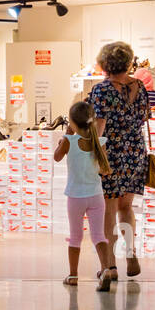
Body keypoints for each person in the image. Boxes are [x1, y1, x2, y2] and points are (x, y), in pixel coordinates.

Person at [90, 41, 149, 279]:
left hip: (111, 154)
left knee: (108, 210)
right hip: (135, 151)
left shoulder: (101, 90)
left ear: (105, 63)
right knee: (127, 207)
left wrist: (96, 157)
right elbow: (143, 118)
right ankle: (131, 252)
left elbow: (99, 127)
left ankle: (110, 265)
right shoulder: (140, 86)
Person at [54, 100, 113, 291]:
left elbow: (56, 157)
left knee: (75, 237)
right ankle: (105, 269)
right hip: (96, 196)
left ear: (71, 122)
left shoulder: (68, 142)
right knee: (99, 236)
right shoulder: (99, 142)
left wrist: (64, 138)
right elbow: (106, 171)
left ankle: (73, 275)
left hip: (76, 197)